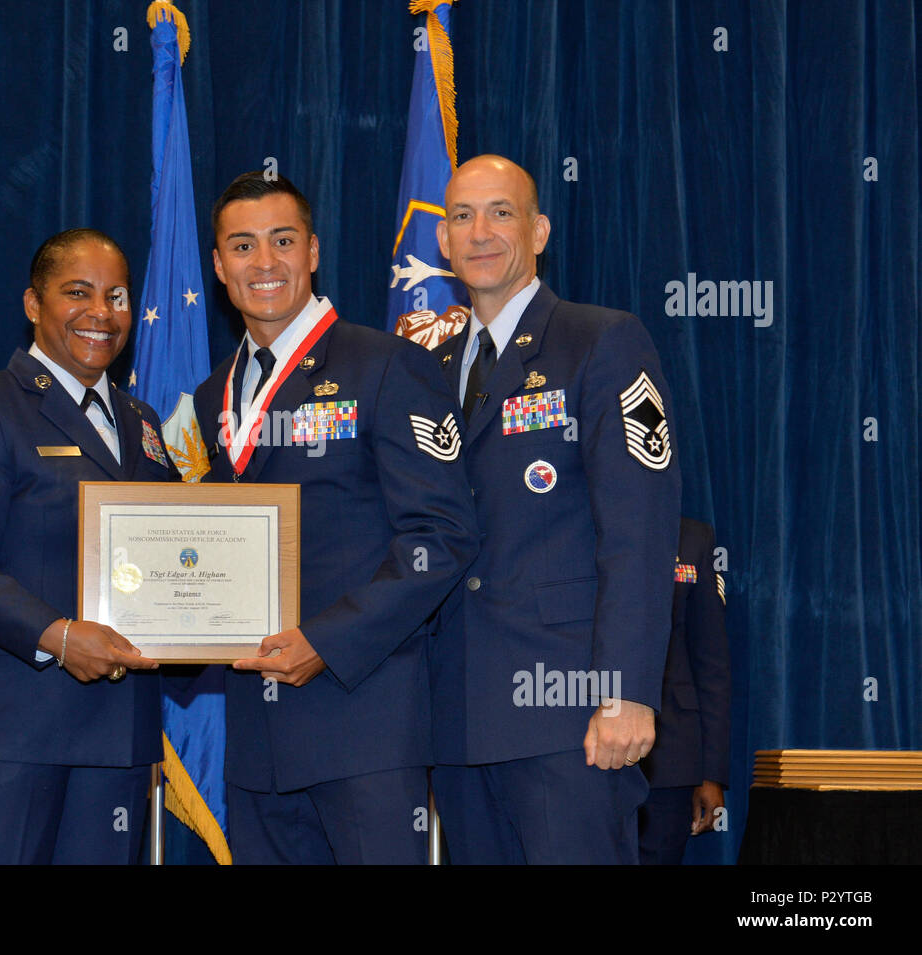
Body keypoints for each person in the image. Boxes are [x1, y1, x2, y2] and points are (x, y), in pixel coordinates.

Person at [192, 171, 479, 864]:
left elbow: (441, 537)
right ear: (219, 265)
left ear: (313, 251)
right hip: (256, 745)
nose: (264, 263)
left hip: (365, 725)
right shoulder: (211, 396)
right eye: (242, 245)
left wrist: (326, 640)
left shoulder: (388, 366)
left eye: (282, 240)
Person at [429, 155, 682, 864]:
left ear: (538, 230)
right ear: (442, 243)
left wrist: (628, 691)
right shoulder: (426, 370)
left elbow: (639, 530)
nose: (480, 232)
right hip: (457, 716)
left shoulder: (601, 340)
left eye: (500, 212)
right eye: (461, 215)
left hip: (569, 713)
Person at [0, 229, 175, 864]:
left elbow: (169, 550)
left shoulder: (142, 422)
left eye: (116, 295)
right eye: (78, 293)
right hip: (9, 734)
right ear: (34, 305)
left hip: (117, 737)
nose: (102, 313)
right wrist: (58, 635)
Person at [639, 516, 731, 864]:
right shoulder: (573, 518)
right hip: (579, 745)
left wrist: (711, 772)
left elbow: (711, 663)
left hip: (670, 757)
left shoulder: (693, 537)